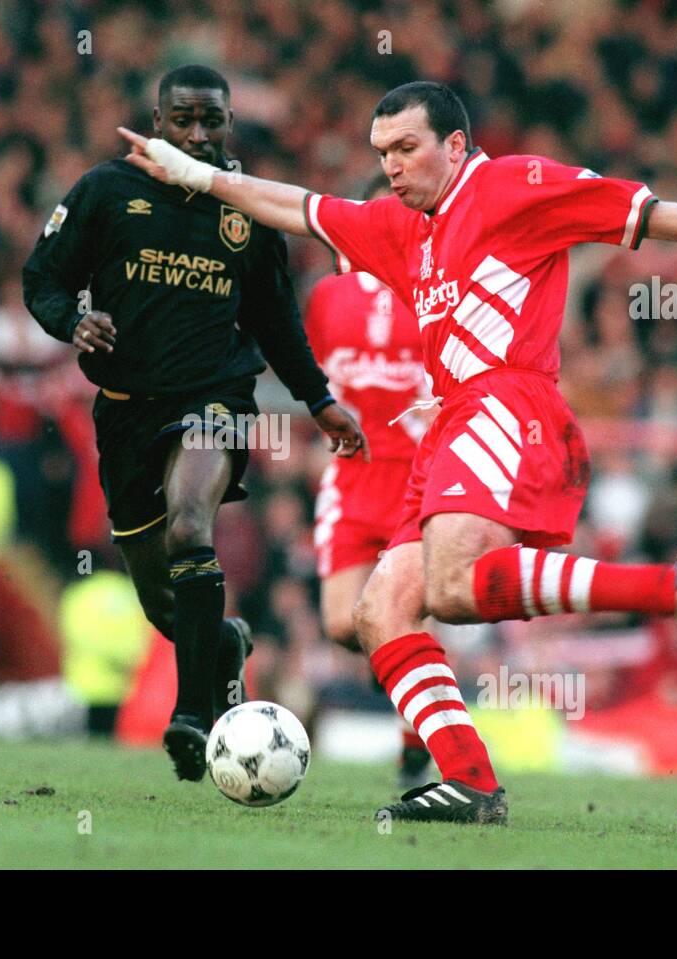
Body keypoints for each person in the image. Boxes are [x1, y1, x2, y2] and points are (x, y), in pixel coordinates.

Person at [118, 80, 677, 822]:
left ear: (455, 145)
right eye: (381, 153)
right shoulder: (399, 229)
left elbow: (641, 211)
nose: (391, 167)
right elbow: (298, 207)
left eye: (406, 149)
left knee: (452, 587)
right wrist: (198, 175)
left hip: (510, 405)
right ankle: (470, 781)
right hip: (454, 420)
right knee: (381, 611)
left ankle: (662, 589)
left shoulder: (512, 184)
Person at [24, 64, 366, 781]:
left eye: (213, 121)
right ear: (158, 123)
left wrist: (318, 399)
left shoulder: (245, 208)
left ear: (229, 124)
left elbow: (275, 321)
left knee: (190, 527)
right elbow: (43, 278)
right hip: (124, 414)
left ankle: (194, 715)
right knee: (162, 603)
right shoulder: (107, 191)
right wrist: (74, 321)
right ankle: (224, 649)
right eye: (185, 120)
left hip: (214, 400)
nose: (200, 135)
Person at [305, 173, 435, 789]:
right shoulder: (328, 297)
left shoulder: (435, 292)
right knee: (341, 624)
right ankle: (419, 676)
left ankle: (420, 734)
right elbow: (313, 378)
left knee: (397, 612)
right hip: (351, 479)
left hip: (417, 484)